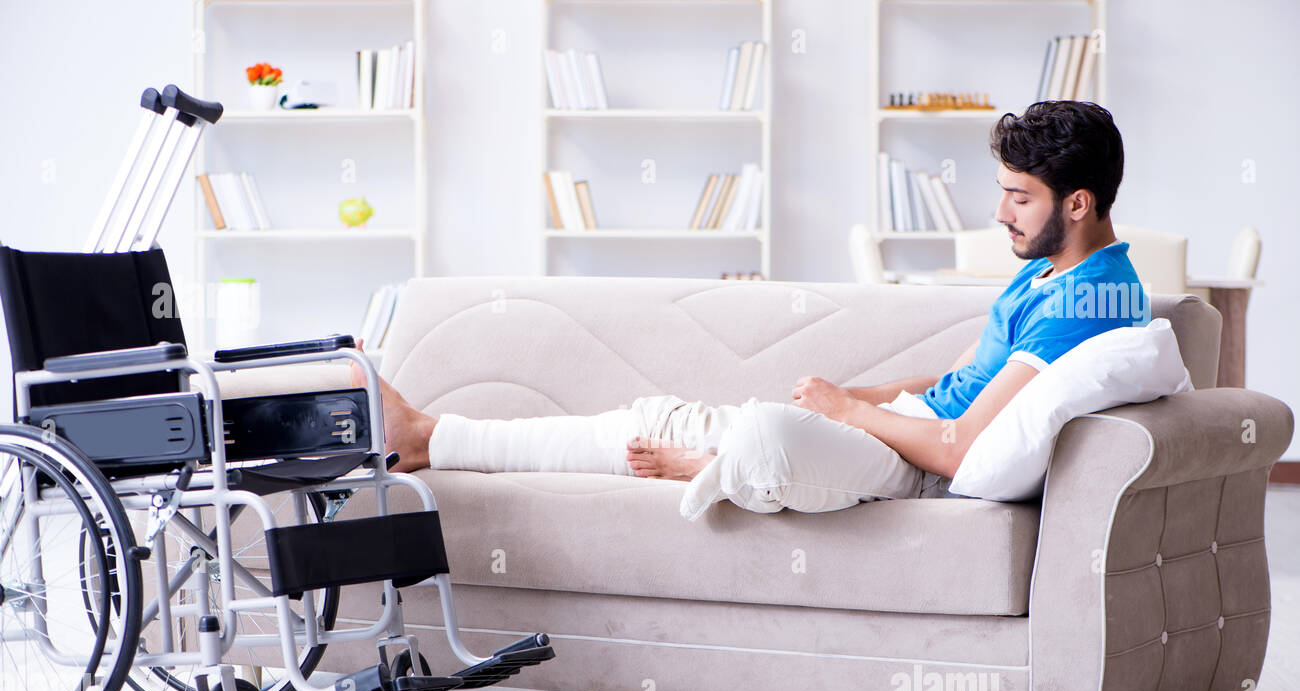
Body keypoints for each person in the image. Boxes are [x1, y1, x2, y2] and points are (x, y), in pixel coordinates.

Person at [359, 100, 1147, 520]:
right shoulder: (1053, 272)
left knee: (765, 433)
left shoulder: (1090, 300)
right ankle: (431, 438)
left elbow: (958, 449)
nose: (1000, 214)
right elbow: (966, 378)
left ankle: (727, 471)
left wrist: (846, 411)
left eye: (1019, 197)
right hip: (897, 433)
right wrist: (863, 398)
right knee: (655, 417)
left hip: (918, 469)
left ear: (1077, 202)